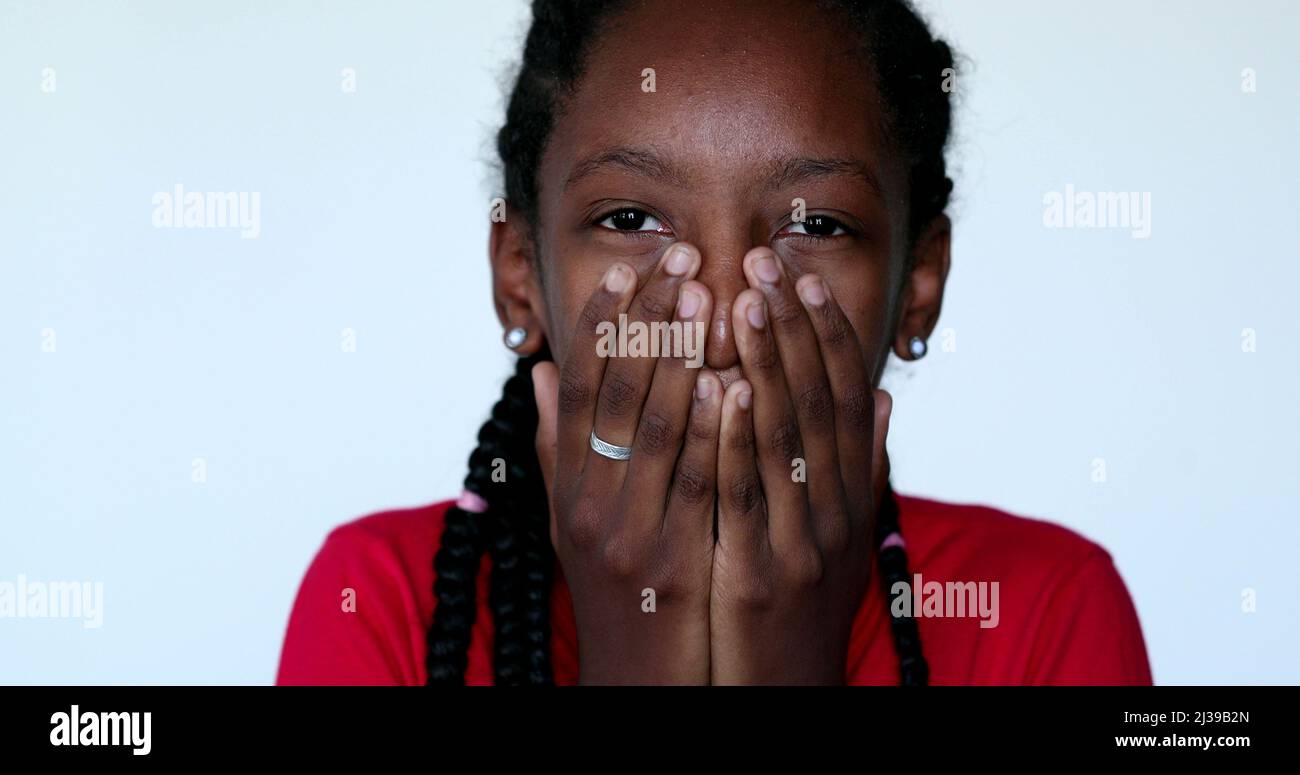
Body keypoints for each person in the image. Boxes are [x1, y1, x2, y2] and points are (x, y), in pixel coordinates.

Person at [277, 0, 1153, 685]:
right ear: (521, 274)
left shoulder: (1044, 608)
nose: (728, 307)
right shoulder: (385, 602)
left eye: (816, 224)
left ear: (918, 285)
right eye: (630, 218)